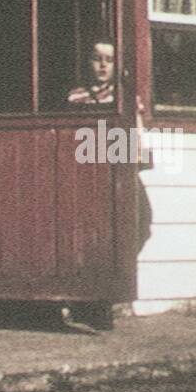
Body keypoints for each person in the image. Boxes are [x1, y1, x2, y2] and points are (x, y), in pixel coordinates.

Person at [60, 39, 152, 333]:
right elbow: (72, 137)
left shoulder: (125, 97)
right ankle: (92, 304)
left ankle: (105, 294)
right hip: (89, 170)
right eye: (96, 58)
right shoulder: (77, 96)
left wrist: (134, 161)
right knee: (93, 235)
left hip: (121, 169)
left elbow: (135, 133)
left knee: (140, 225)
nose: (102, 65)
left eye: (108, 60)